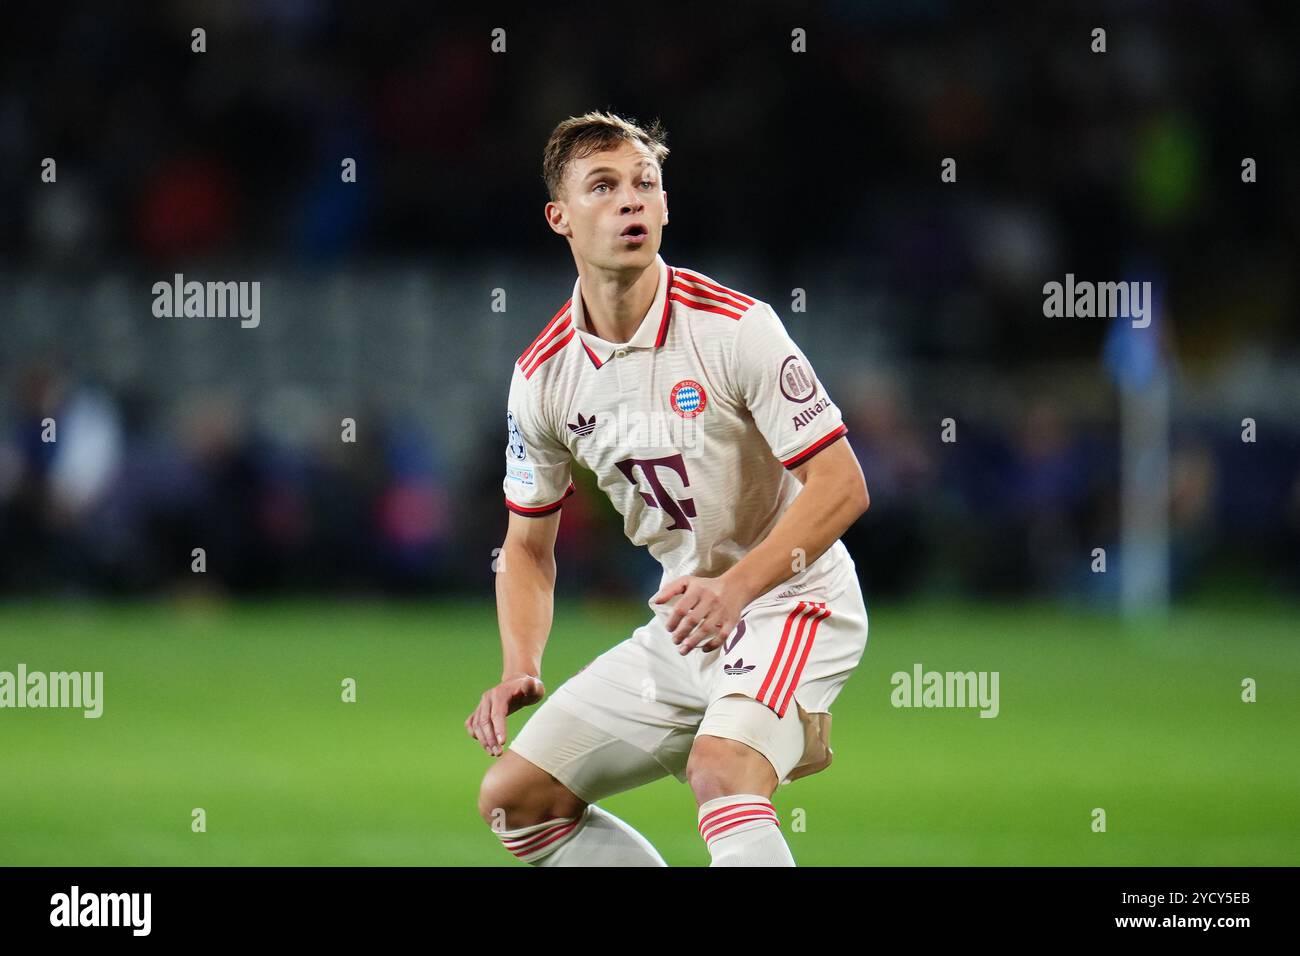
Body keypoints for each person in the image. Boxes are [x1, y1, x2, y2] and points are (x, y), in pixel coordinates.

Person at [466, 111, 871, 866]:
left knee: (722, 772)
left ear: (664, 207)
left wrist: (738, 591)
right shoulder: (543, 377)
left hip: (792, 600)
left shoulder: (735, 329)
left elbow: (842, 486)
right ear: (560, 217)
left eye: (645, 184)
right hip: (688, 619)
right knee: (515, 802)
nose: (631, 201)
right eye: (604, 186)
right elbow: (526, 547)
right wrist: (521, 664)